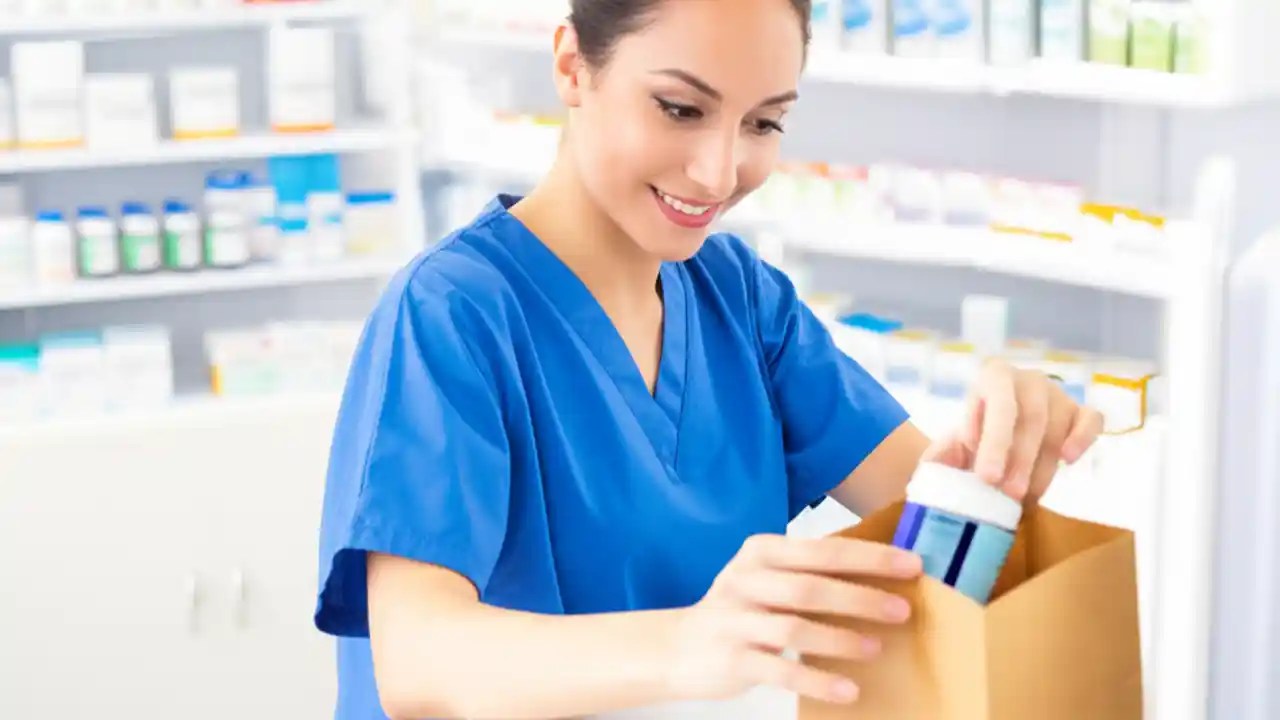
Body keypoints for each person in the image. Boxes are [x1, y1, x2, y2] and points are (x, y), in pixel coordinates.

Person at [314, 1, 1104, 718]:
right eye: (680, 109)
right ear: (571, 67)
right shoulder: (454, 312)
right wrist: (691, 645)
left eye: (763, 124)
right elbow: (418, 660)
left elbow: (929, 530)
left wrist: (994, 459)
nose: (719, 173)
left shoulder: (742, 301)